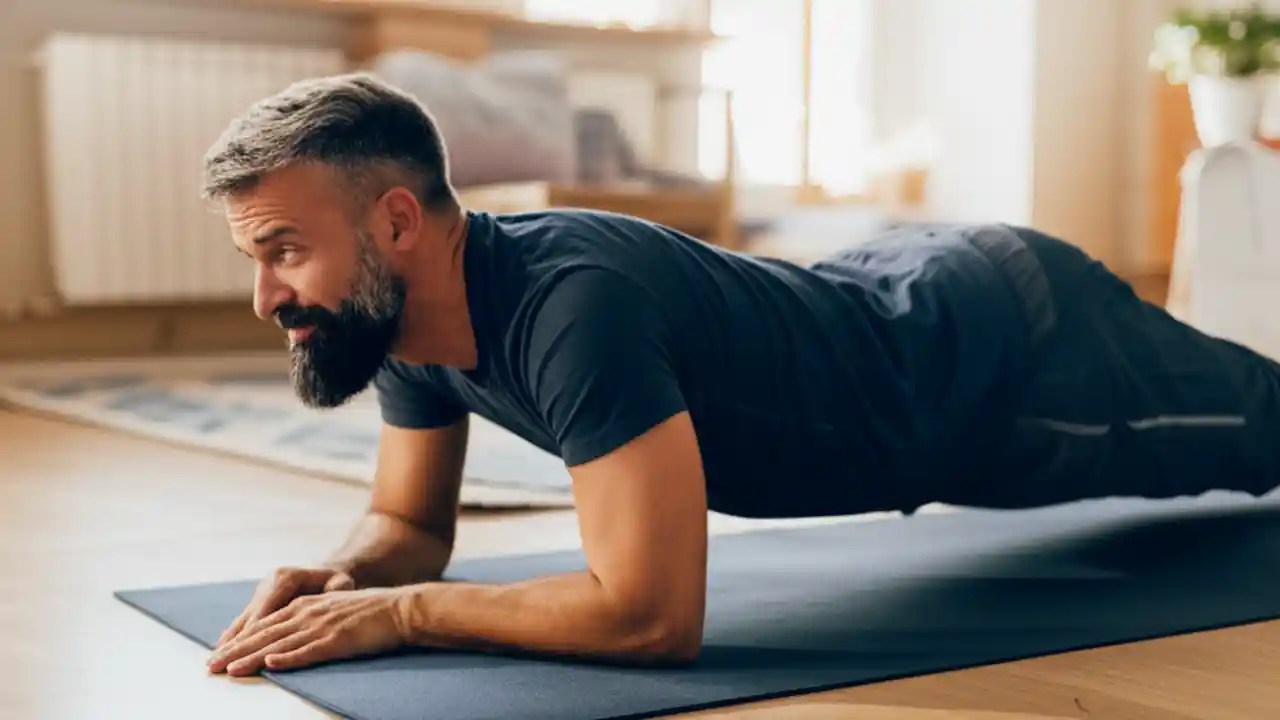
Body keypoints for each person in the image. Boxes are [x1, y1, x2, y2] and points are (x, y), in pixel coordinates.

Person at [203, 74, 1280, 677]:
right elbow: (408, 526)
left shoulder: (570, 307)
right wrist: (345, 579)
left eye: (284, 251)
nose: (265, 298)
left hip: (1004, 354)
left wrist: (407, 617)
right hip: (892, 292)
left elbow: (647, 617)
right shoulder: (404, 322)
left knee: (1266, 429)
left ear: (395, 223)